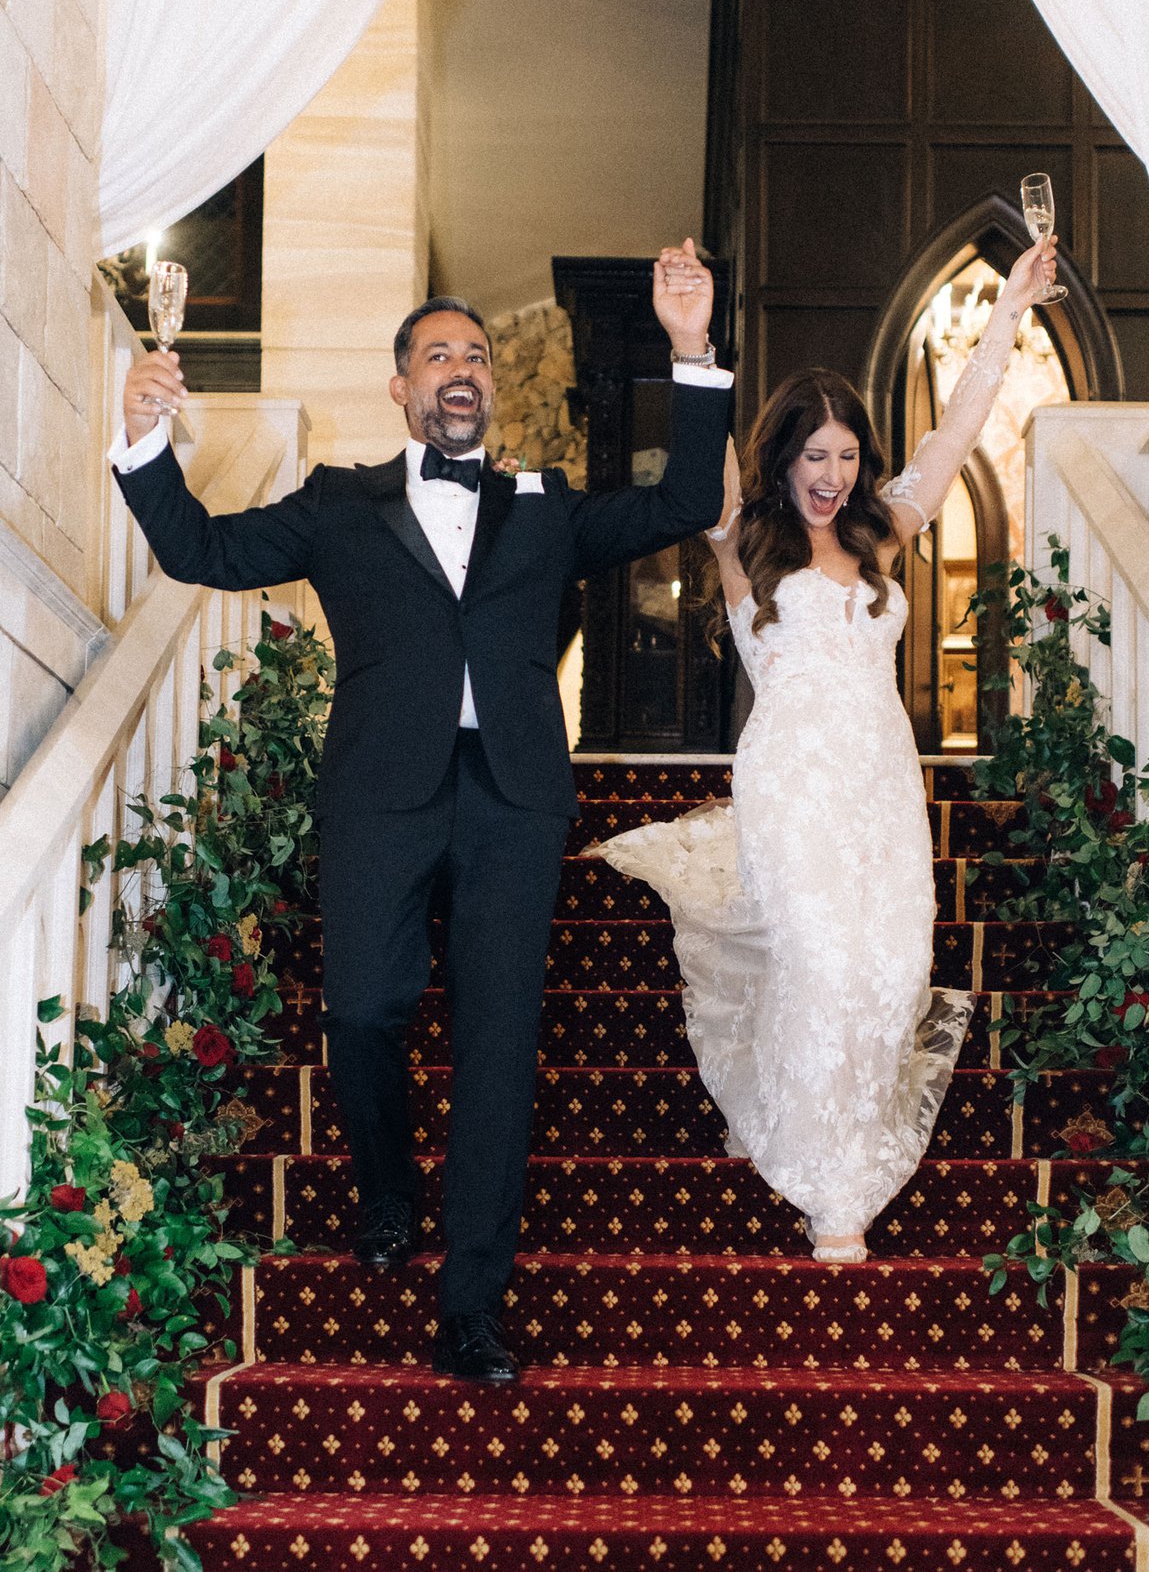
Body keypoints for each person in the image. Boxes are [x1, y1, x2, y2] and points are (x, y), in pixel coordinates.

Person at [110, 241, 731, 1383]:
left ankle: (469, 1304)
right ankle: (387, 1186)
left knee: (499, 1047)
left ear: (491, 388)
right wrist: (146, 438)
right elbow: (201, 547)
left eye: (478, 355)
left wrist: (688, 346)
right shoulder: (339, 505)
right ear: (398, 387)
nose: (463, 367)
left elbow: (687, 500)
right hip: (378, 801)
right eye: (438, 353)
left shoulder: (541, 508)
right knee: (360, 1012)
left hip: (513, 804)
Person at [597, 234, 1057, 1263]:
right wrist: (692, 338)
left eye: (846, 458)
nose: (831, 476)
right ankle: (828, 1189)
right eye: (814, 457)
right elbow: (701, 441)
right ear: (783, 458)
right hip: (791, 781)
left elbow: (956, 429)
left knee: (889, 970)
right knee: (815, 957)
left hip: (879, 785)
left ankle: (816, 1131)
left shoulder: (880, 534)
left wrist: (1007, 313)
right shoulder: (740, 538)